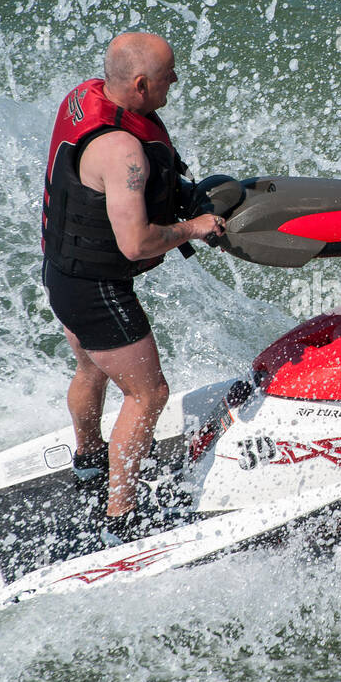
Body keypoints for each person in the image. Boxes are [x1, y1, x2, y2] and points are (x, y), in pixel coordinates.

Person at [40, 32, 225, 545]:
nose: (176, 82)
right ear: (140, 84)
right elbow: (137, 243)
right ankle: (120, 515)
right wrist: (196, 226)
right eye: (168, 75)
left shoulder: (84, 96)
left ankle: (89, 460)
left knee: (89, 367)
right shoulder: (124, 152)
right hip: (97, 289)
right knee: (148, 393)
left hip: (61, 273)